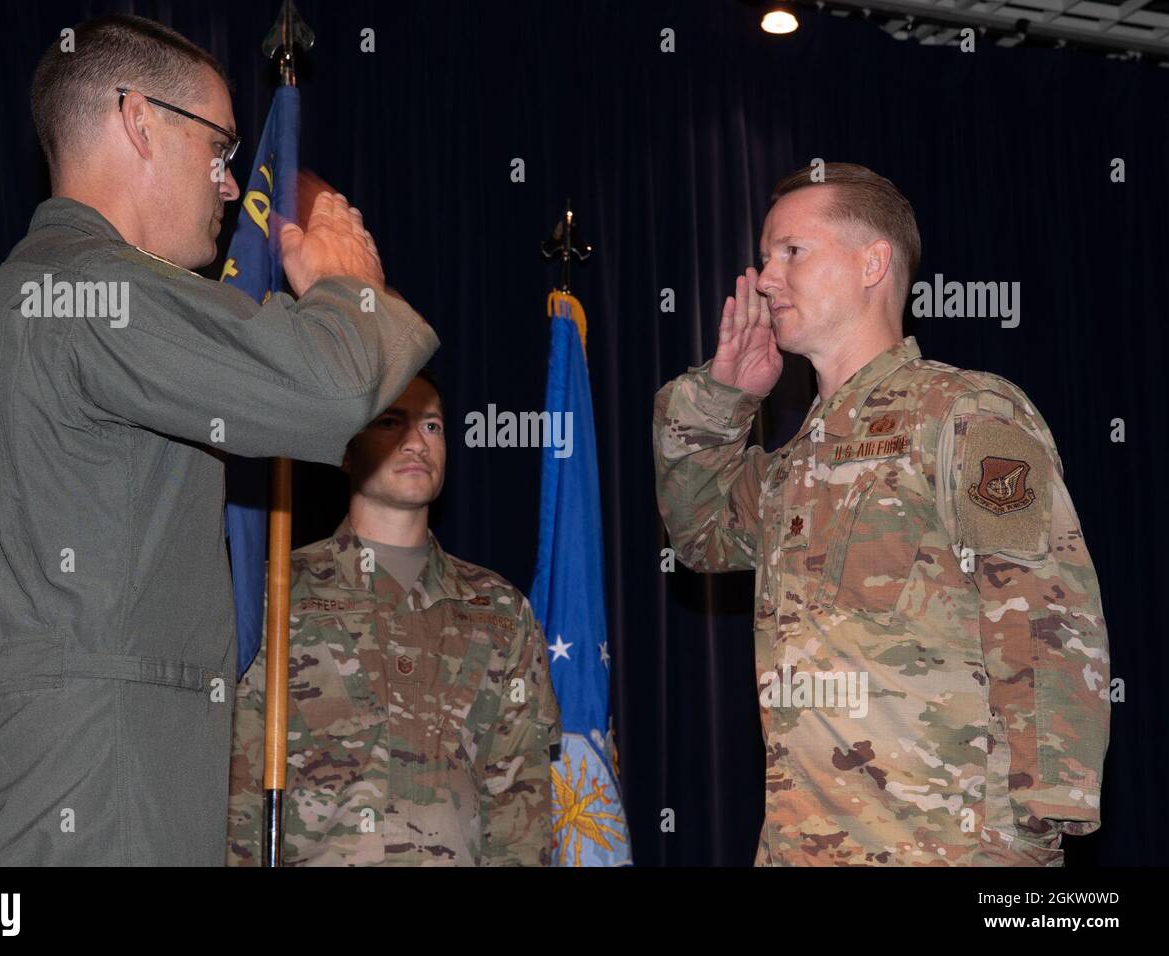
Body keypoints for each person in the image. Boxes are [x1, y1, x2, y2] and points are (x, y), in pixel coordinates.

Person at [0, 14, 438, 865]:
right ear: (139, 122)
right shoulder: (95, 294)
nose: (229, 186)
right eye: (219, 149)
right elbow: (329, 390)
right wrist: (349, 286)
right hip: (88, 805)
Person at [652, 162, 1110, 866]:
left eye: (791, 252)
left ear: (873, 263)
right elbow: (699, 534)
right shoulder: (794, 464)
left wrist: (1035, 830)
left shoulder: (965, 411)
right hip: (804, 847)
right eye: (765, 256)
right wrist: (720, 399)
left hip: (947, 844)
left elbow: (1044, 614)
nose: (766, 278)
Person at [226, 371, 560, 865]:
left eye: (432, 427)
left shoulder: (498, 611)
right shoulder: (274, 593)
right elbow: (238, 786)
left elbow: (518, 803)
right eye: (390, 422)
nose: (415, 443)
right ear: (345, 450)